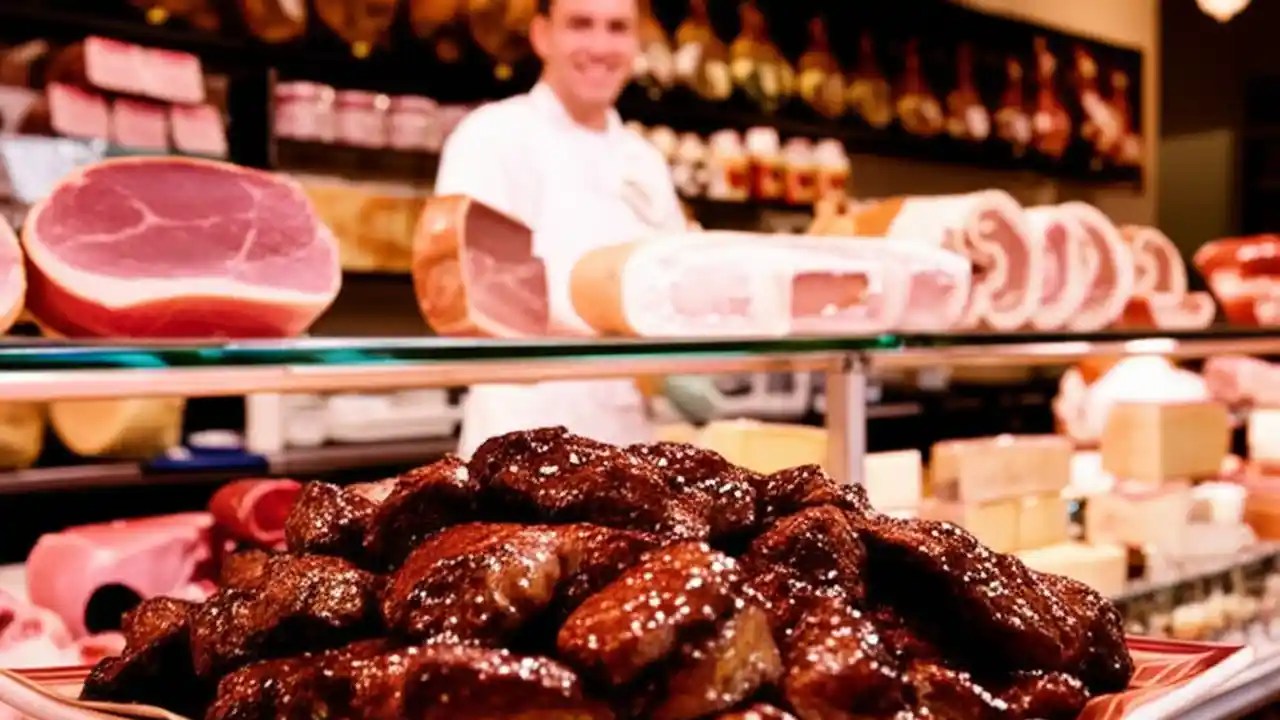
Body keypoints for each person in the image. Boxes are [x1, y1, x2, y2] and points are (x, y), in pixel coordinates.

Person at [435, 0, 706, 457]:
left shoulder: (644, 159)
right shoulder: (490, 137)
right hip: (519, 440)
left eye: (617, 28)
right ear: (542, 36)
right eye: (580, 24)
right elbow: (468, 293)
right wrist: (603, 331)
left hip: (627, 441)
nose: (600, 46)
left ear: (636, 41)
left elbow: (670, 294)